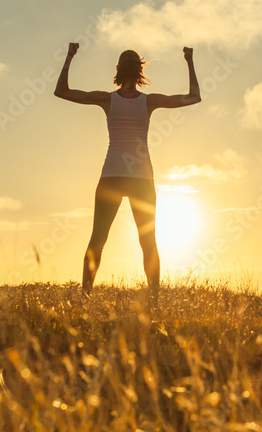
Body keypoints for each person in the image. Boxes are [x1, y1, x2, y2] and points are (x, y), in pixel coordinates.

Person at [54, 42, 200, 297]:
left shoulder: (107, 98)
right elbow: (194, 97)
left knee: (98, 240)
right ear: (139, 71)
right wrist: (189, 60)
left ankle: (86, 297)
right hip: (140, 178)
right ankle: (153, 299)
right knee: (147, 242)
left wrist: (69, 56)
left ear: (119, 70)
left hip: (113, 175)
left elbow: (61, 91)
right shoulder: (149, 101)